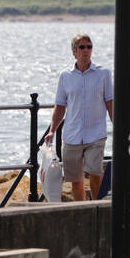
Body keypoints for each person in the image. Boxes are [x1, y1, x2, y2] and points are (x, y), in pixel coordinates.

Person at [46, 33, 113, 201]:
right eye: (82, 47)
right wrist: (52, 130)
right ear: (74, 51)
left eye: (89, 47)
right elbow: (60, 106)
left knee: (95, 174)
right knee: (75, 180)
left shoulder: (103, 73)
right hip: (72, 135)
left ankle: (99, 210)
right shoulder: (65, 76)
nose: (86, 50)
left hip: (96, 133)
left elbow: (110, 102)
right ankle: (81, 211)